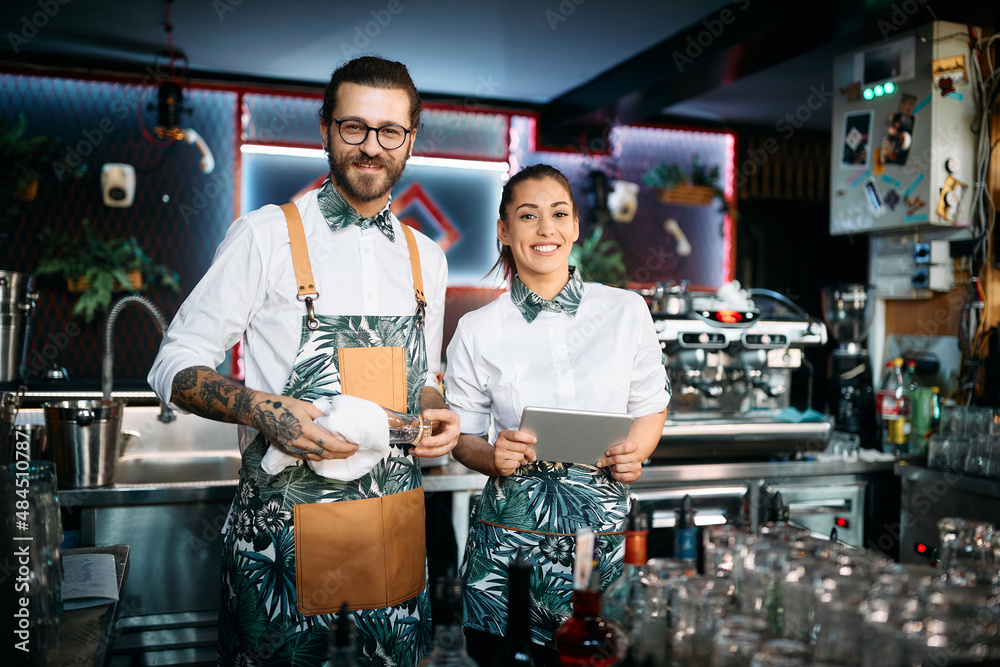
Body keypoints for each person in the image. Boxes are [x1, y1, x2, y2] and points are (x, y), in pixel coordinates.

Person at [148, 56, 460, 667]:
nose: (372, 147)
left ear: (410, 139)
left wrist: (437, 409)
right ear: (324, 129)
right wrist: (263, 409)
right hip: (281, 544)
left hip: (393, 536)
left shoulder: (429, 258)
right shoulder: (265, 235)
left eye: (390, 131)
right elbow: (173, 362)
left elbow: (423, 381)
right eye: (354, 128)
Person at [443, 164, 670, 663]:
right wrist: (493, 456)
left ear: (574, 227)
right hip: (507, 558)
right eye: (528, 216)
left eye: (559, 214)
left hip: (602, 548)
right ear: (504, 231)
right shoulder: (478, 329)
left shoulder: (626, 311)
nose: (546, 229)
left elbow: (651, 406)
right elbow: (463, 436)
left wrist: (638, 452)